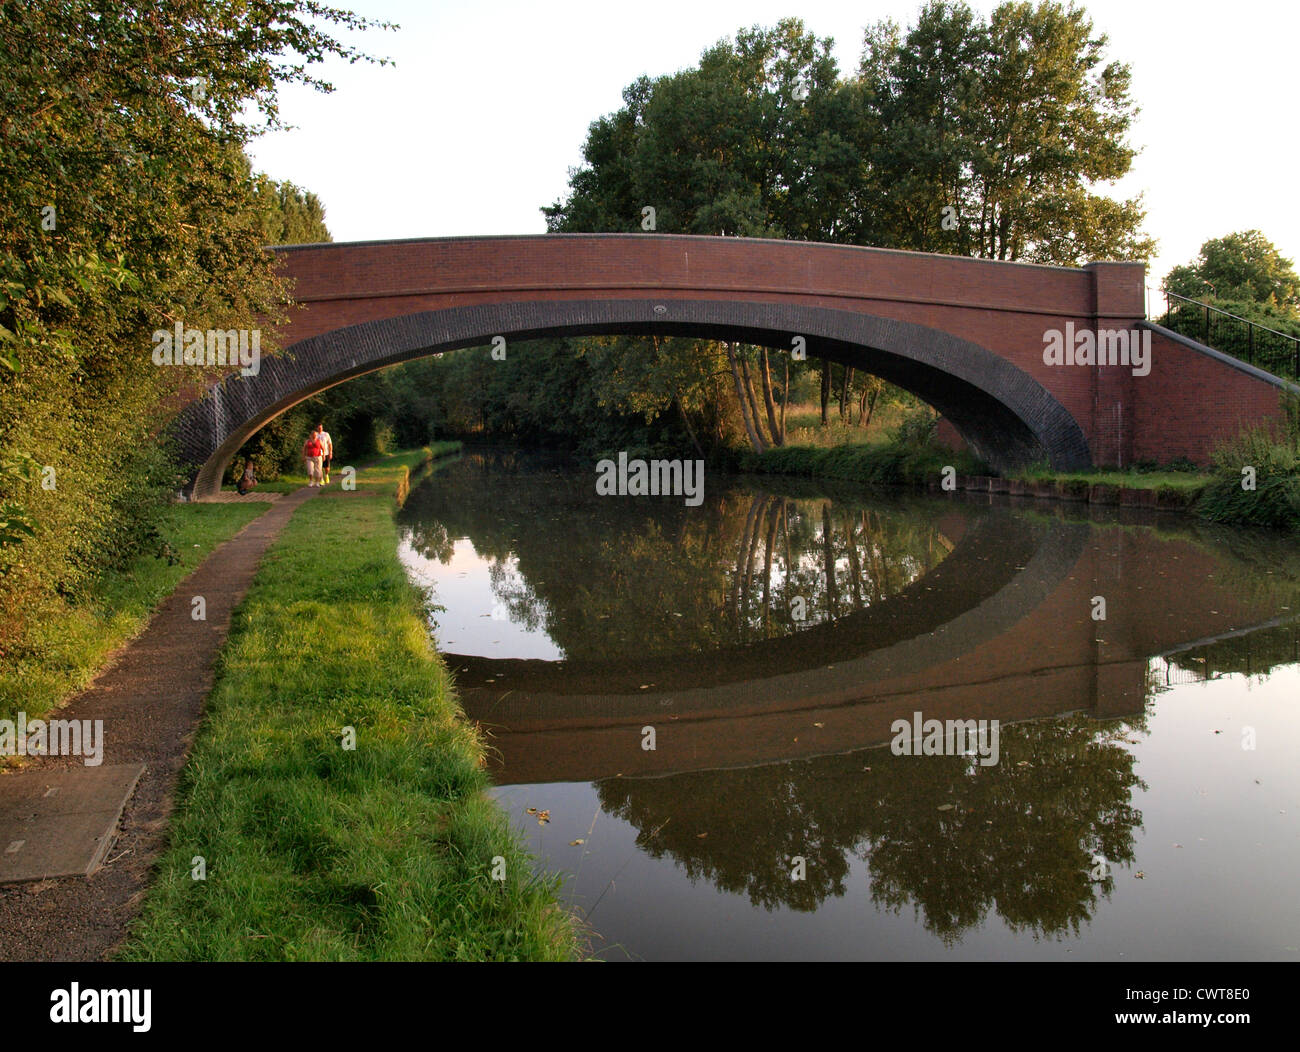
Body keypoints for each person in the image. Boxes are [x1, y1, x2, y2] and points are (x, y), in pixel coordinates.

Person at [317, 421, 334, 485]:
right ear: (317, 428)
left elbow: (330, 444)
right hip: (318, 453)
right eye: (319, 428)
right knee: (319, 467)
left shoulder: (326, 434)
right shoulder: (315, 435)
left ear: (322, 428)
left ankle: (326, 475)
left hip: (326, 453)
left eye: (321, 428)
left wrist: (330, 452)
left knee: (326, 467)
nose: (320, 429)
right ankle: (321, 479)